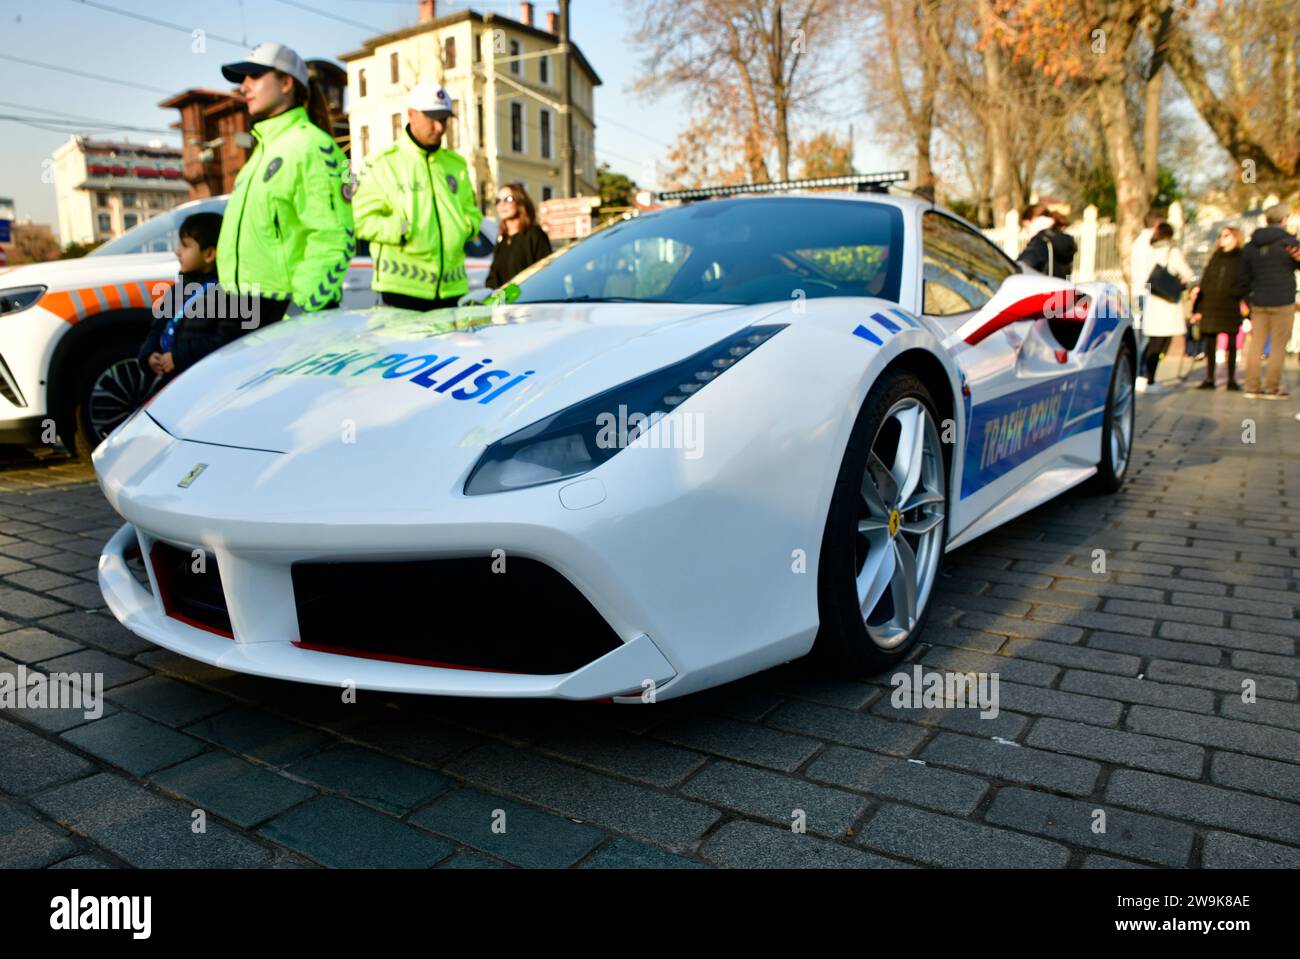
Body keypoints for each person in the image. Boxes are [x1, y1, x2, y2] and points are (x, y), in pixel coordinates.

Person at [216, 43, 354, 327]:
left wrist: (299, 312)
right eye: (243, 79)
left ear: (286, 83)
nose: (244, 87)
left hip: (284, 311)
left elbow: (334, 239)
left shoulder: (314, 146)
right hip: (243, 307)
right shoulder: (260, 153)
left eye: (255, 76)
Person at [352, 83, 483, 311]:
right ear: (411, 114)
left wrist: (465, 227)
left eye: (444, 119)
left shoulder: (456, 165)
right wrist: (401, 230)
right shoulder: (383, 164)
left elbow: (472, 212)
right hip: (401, 290)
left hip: (452, 290)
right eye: (432, 118)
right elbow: (360, 219)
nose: (439, 127)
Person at [138, 212, 230, 387]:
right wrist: (149, 354)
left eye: (185, 246)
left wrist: (179, 357)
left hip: (198, 384)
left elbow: (224, 342)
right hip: (167, 382)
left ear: (209, 254)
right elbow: (157, 329)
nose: (178, 251)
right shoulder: (178, 289)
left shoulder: (226, 294)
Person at [1239, 203, 1300, 399]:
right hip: (1283, 300)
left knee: (1256, 344)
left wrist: (1247, 299)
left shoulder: (1251, 245)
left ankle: (1252, 386)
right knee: (1278, 346)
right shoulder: (1289, 243)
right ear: (1284, 219)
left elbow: (1243, 277)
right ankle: (1272, 387)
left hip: (1259, 300)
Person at [1136, 221, 1193, 394]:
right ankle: (1150, 379)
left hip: (1152, 300)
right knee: (1159, 344)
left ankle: (1143, 376)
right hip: (1167, 303)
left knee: (1151, 343)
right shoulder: (1171, 252)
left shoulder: (1150, 251)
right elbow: (1188, 273)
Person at [1190, 226, 1247, 390]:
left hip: (1230, 304)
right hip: (1211, 304)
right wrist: (1197, 308)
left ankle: (1231, 379)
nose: (1222, 238)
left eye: (1226, 235)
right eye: (1221, 235)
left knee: (1232, 342)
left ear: (1235, 238)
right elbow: (1205, 281)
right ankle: (1209, 377)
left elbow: (1245, 280)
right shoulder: (1216, 257)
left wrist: (1236, 293)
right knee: (1210, 341)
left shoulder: (1241, 257)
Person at [486, 183, 552, 289]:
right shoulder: (502, 238)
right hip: (505, 299)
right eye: (498, 201)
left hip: (530, 297)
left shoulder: (534, 234)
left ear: (520, 201)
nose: (502, 204)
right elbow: (493, 277)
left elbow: (546, 274)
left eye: (508, 199)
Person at [1017, 203, 1076, 279]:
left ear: (1034, 219)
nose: (1027, 232)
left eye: (1026, 227)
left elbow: (1019, 267)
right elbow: (1068, 275)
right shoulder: (1063, 240)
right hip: (1061, 286)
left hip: (1044, 286)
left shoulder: (1041, 241)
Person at [1129, 210, 1164, 329]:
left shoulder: (1138, 242)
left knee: (1140, 325)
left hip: (1139, 289)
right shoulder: (1152, 243)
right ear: (1157, 224)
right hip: (1149, 291)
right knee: (1149, 328)